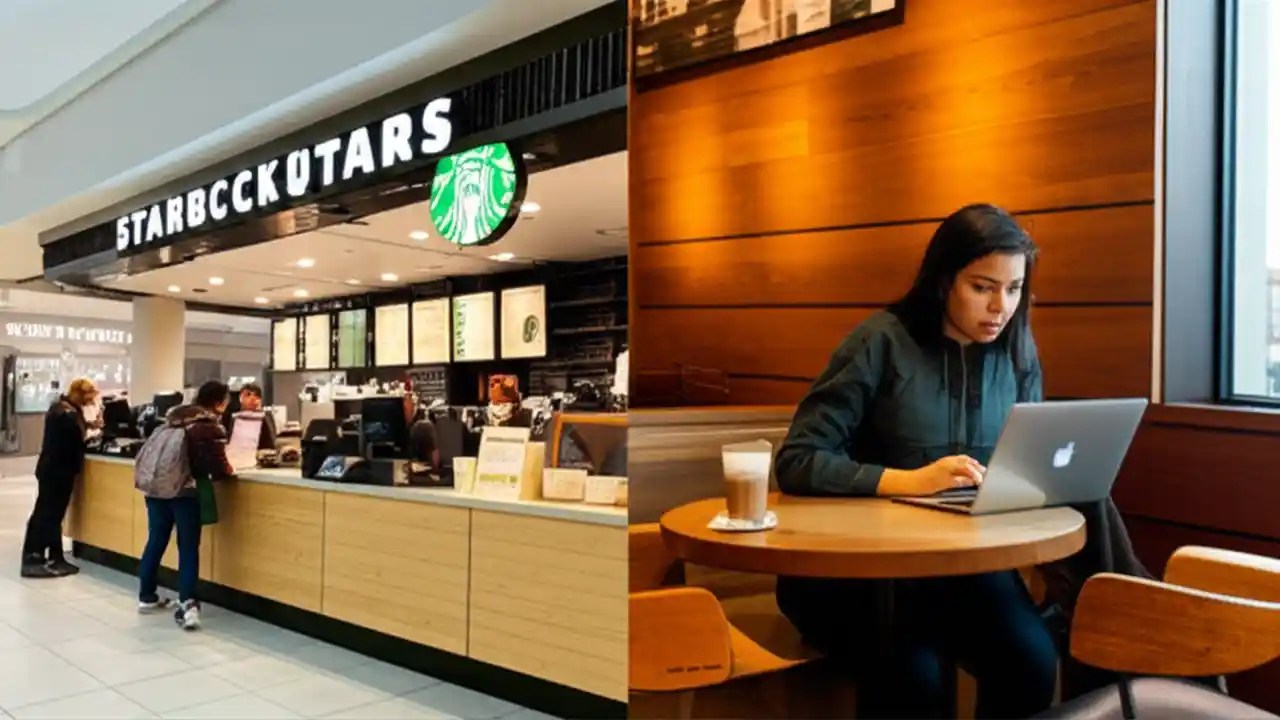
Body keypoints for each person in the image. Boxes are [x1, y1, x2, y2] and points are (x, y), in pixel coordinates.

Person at [773, 204, 1057, 719]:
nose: (1001, 307)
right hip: (858, 574)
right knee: (915, 679)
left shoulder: (1017, 351)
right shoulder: (880, 341)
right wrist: (907, 481)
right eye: (982, 287)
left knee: (1032, 662)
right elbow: (798, 460)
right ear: (943, 279)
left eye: (1014, 289)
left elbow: (1027, 454)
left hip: (961, 568)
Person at [136, 381, 235, 630]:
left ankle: (146, 596)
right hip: (185, 491)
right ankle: (188, 604)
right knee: (188, 546)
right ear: (220, 401)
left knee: (156, 539)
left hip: (157, 489)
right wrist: (228, 472)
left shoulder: (171, 420)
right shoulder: (206, 426)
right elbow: (216, 466)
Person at [21, 378, 99, 578]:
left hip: (51, 469)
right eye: (90, 395)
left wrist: (89, 426)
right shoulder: (68, 414)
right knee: (48, 514)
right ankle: (34, 557)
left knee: (51, 514)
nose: (92, 400)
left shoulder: (61, 408)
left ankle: (54, 556)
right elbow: (72, 443)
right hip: (58, 471)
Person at [227, 383, 277, 450]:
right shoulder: (235, 417)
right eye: (248, 395)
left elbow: (271, 443)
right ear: (240, 398)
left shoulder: (266, 416)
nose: (252, 398)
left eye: (256, 395)